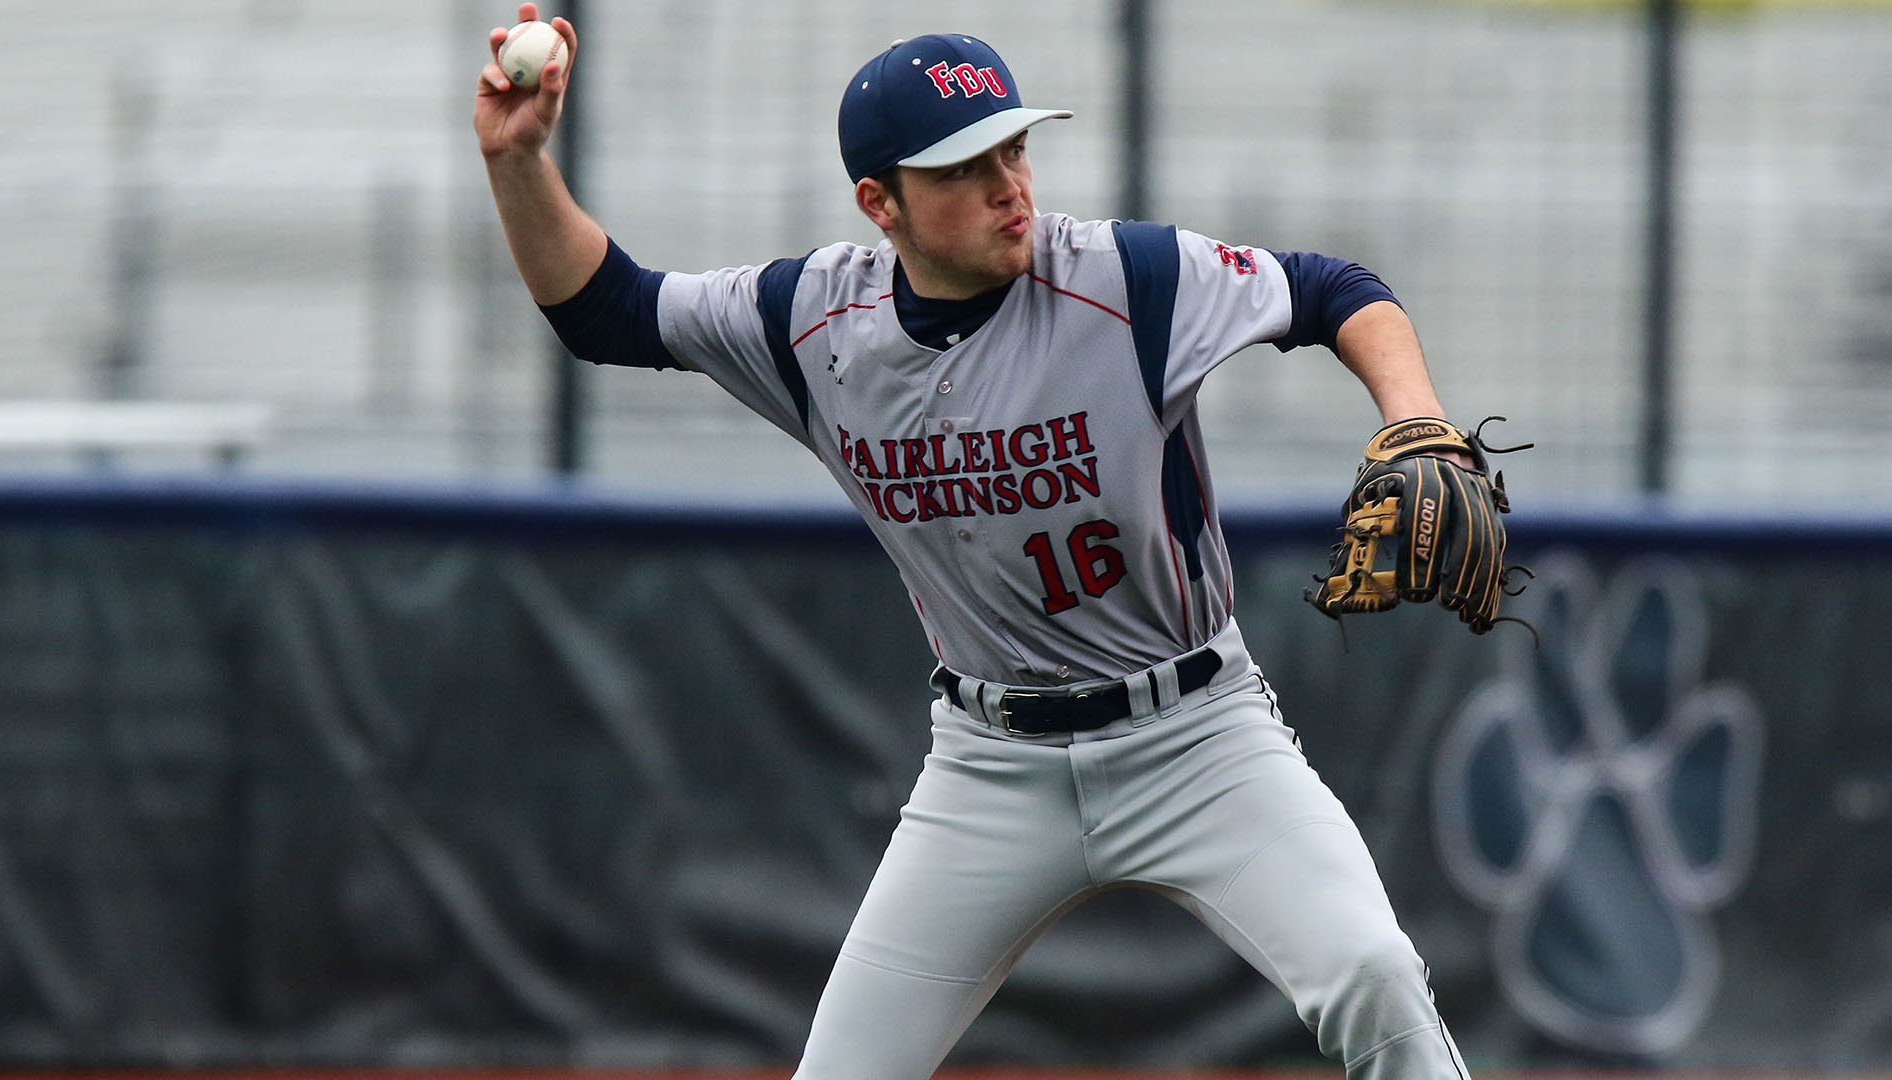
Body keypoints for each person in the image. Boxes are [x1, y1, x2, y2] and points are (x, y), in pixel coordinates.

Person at [476, 6, 1472, 1078]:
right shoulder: (810, 325)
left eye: (1015, 147)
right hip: (991, 768)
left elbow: (1336, 291)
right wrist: (519, 160)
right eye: (964, 168)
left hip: (1197, 738)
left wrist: (1416, 419)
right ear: (881, 202)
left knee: (1372, 971)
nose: (1010, 185)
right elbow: (606, 311)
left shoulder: (1124, 281)